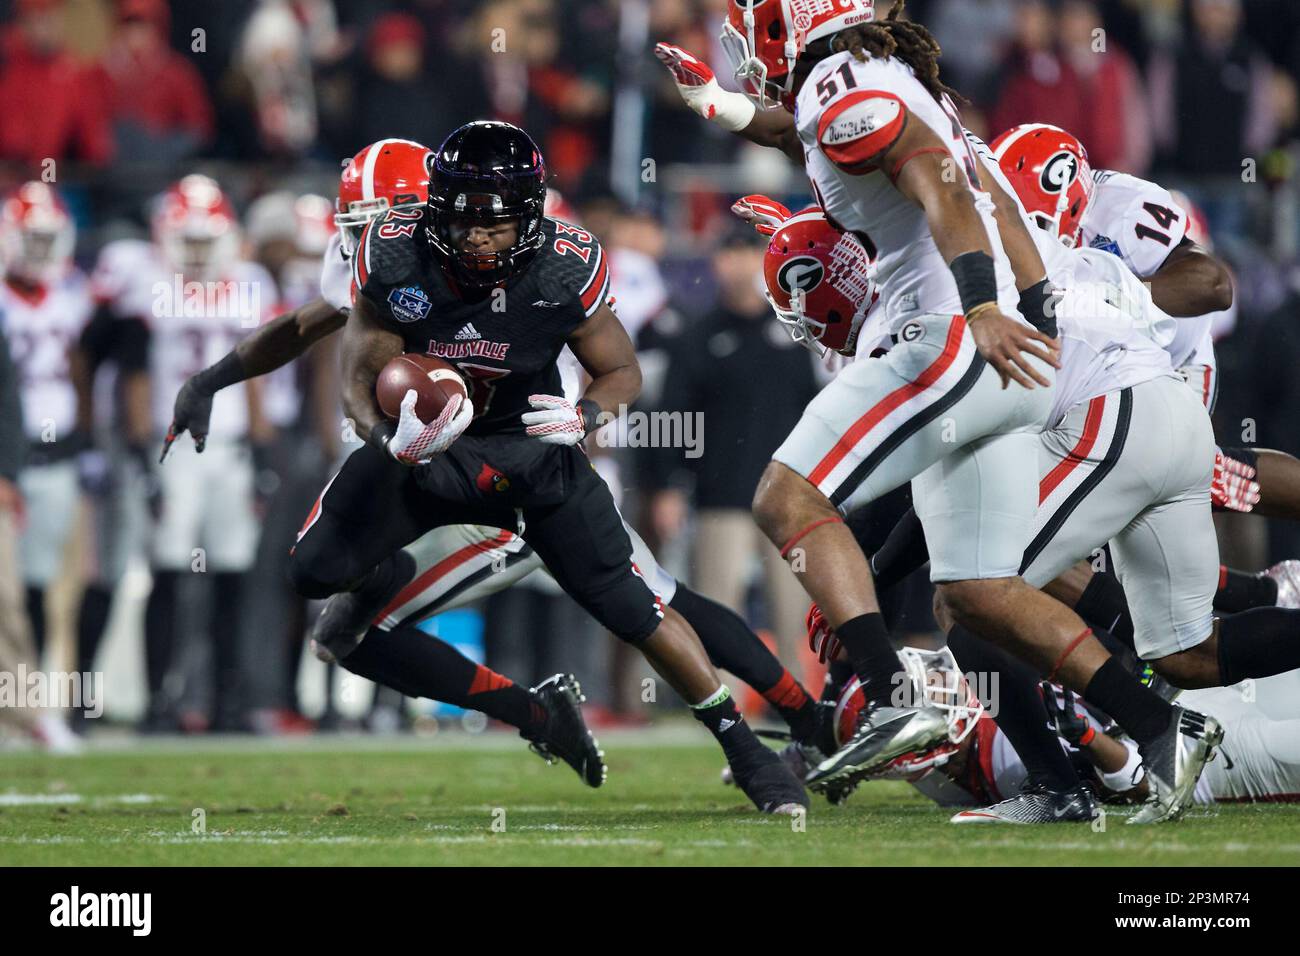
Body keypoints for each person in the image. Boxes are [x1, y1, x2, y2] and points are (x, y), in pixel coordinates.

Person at [164, 131, 817, 811]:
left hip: (528, 456)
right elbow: (345, 364)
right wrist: (389, 434)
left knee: (641, 604)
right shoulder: (390, 251)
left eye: (494, 219)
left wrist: (586, 417)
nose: (478, 236)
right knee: (313, 578)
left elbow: (619, 370)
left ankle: (760, 740)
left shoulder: (561, 263)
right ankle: (540, 711)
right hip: (427, 455)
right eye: (463, 217)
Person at [704, 0, 1216, 824]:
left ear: (784, 29)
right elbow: (995, 201)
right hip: (1008, 351)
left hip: (949, 332)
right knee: (979, 590)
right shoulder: (894, 84)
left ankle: (888, 697)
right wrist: (1038, 304)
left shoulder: (844, 92)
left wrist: (982, 307)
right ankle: (1160, 727)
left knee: (784, 495)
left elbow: (942, 197)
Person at [0, 183, 93, 664]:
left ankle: (28, 703)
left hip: (56, 456)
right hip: (7, 459)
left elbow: (83, 370)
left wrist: (87, 442)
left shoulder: (73, 292)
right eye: (29, 238)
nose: (38, 250)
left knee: (36, 583)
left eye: (45, 238)